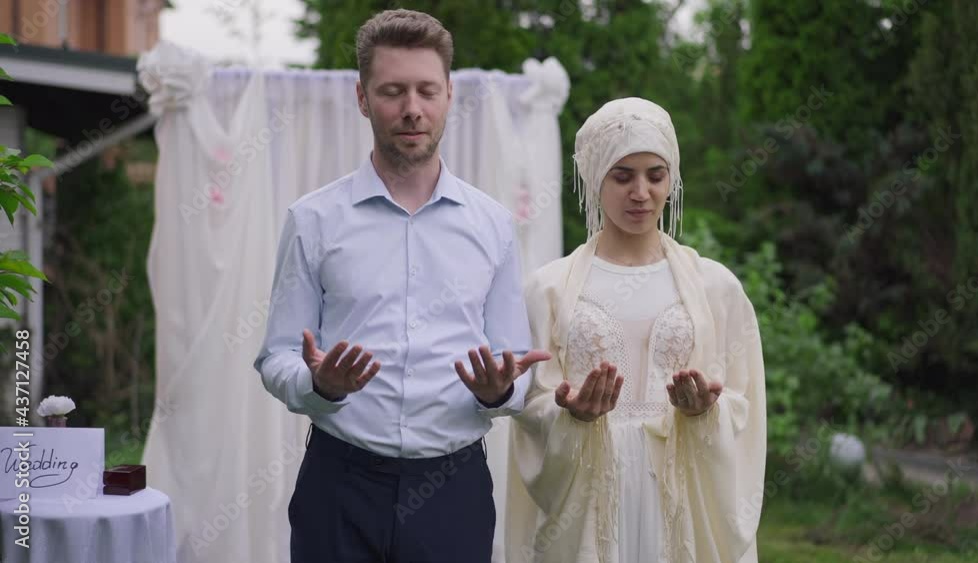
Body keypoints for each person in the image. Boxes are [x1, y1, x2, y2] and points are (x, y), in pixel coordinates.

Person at [253, 9, 549, 563]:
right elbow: (277, 356)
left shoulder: (493, 225)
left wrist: (497, 392)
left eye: (426, 90)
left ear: (448, 95)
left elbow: (513, 364)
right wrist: (320, 386)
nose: (412, 108)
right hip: (338, 486)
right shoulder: (312, 219)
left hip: (453, 491)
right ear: (363, 98)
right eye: (392, 91)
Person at [506, 97, 767, 563]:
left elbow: (745, 400)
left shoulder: (716, 288)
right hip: (588, 498)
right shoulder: (548, 289)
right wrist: (572, 415)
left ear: (673, 179)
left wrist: (707, 411)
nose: (641, 192)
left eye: (655, 175)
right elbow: (529, 406)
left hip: (677, 493)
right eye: (622, 176)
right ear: (595, 179)